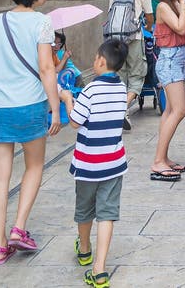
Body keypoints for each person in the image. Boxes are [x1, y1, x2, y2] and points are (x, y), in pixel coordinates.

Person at [0, 0, 61, 266]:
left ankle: (0, 245)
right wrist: (55, 106)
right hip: (29, 104)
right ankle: (18, 227)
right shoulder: (42, 22)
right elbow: (45, 68)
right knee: (34, 166)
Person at [62, 39, 128, 288]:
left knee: (85, 209)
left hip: (88, 164)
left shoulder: (90, 90)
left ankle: (85, 250)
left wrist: (68, 99)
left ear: (101, 61)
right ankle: (99, 270)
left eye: (94, 59)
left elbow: (76, 122)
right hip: (113, 163)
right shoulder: (121, 88)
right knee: (107, 214)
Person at [151, 0, 185, 181]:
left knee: (170, 110)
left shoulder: (175, 4)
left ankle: (163, 157)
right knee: (179, 110)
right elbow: (179, 27)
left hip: (178, 57)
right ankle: (158, 161)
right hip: (169, 60)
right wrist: (181, 1)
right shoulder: (162, 6)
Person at [107, 0, 153, 131]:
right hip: (135, 37)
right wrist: (148, 28)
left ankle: (118, 108)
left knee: (120, 75)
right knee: (137, 74)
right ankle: (123, 108)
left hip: (114, 38)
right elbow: (149, 17)